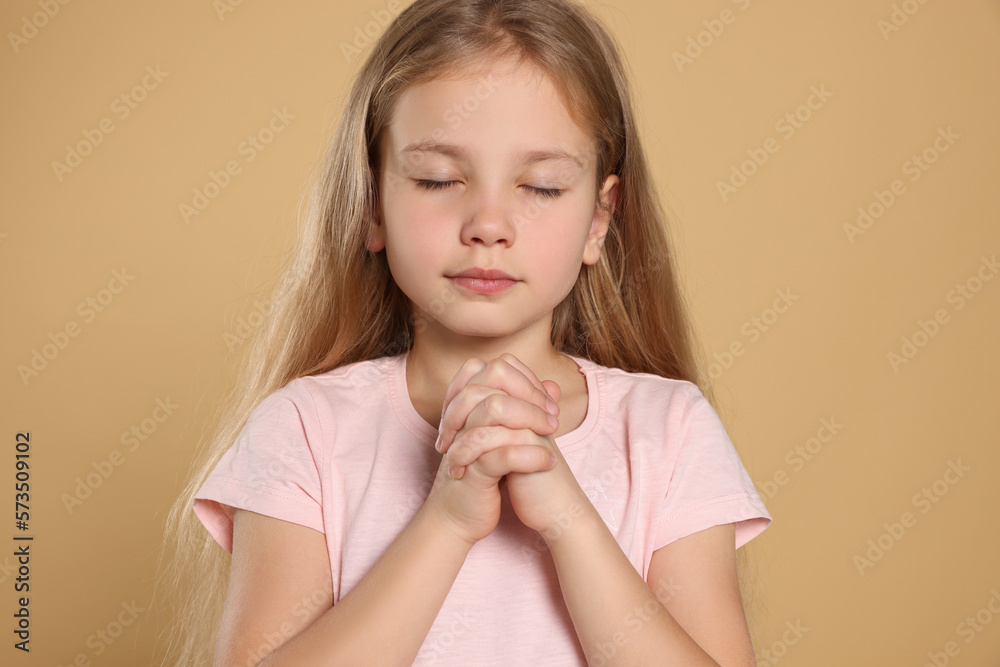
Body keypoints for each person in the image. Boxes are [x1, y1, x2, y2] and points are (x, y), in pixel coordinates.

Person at [158, 0, 772, 664]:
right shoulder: (303, 430)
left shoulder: (670, 430)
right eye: (438, 178)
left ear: (599, 219)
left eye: (540, 186)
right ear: (372, 204)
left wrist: (569, 519)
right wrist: (446, 521)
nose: (488, 223)